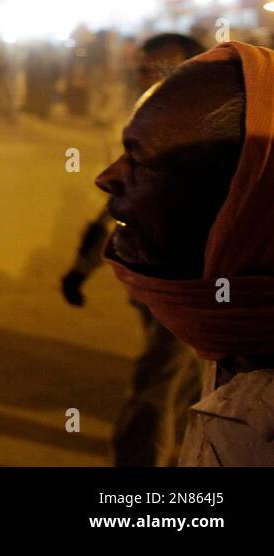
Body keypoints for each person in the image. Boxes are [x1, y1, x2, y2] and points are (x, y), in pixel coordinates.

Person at [96, 41, 274, 466]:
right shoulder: (235, 341)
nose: (106, 178)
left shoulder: (258, 425)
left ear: (244, 197)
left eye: (140, 158)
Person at [62, 32, 205, 465]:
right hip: (154, 279)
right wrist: (82, 266)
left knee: (155, 386)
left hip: (195, 283)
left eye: (162, 67)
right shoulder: (145, 118)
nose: (149, 74)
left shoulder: (213, 124)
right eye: (145, 66)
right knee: (190, 379)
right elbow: (117, 198)